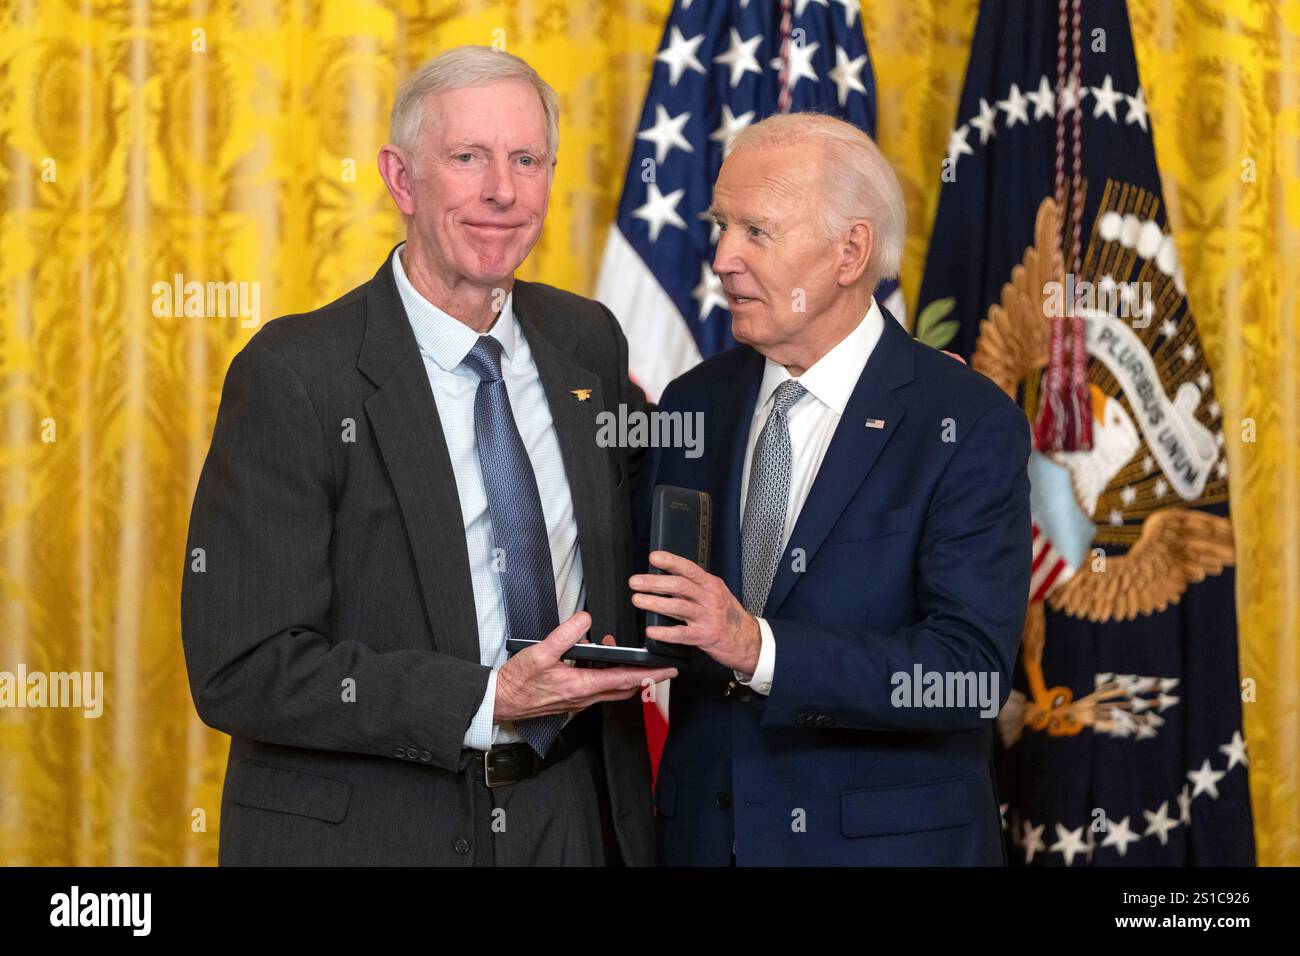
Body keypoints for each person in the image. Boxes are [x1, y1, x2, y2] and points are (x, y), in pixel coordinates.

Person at [181, 45, 674, 866]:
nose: (502, 192)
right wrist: (488, 698)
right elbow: (243, 666)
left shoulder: (587, 340)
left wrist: (898, 391)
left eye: (526, 160)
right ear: (402, 180)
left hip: (576, 818)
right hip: (382, 830)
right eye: (468, 158)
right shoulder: (298, 376)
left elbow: (666, 491)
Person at [630, 113, 1031, 865]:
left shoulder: (966, 422)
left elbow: (968, 677)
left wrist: (759, 647)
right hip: (703, 840)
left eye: (757, 230)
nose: (721, 257)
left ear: (851, 252)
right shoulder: (691, 403)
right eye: (722, 225)